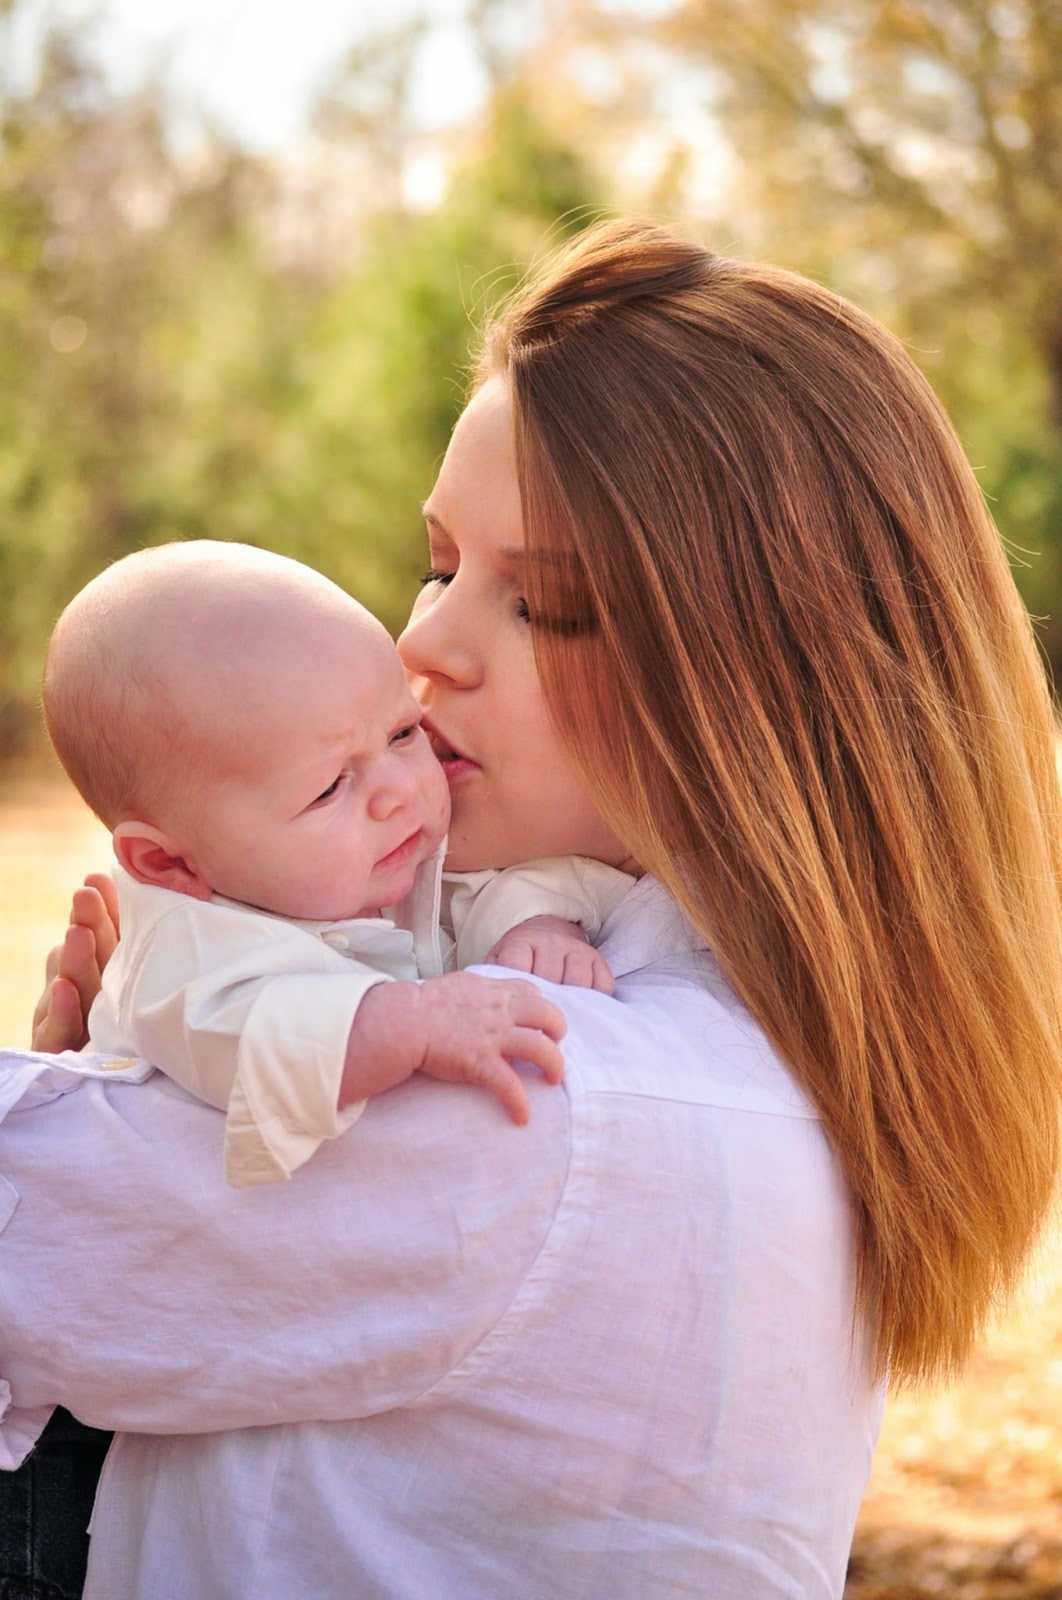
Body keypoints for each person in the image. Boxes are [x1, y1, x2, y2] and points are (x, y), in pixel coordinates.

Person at [2, 217, 1061, 1600]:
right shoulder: (730, 1035)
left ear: (766, 682)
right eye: (440, 563)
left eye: (545, 608)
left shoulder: (533, 1088)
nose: (421, 644)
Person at [39, 538, 626, 1186]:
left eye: (404, 733)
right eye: (327, 788)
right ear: (170, 862)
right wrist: (416, 1023)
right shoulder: (181, 962)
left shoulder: (373, 855)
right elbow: (265, 1043)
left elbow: (475, 889)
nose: (401, 789)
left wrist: (535, 925)